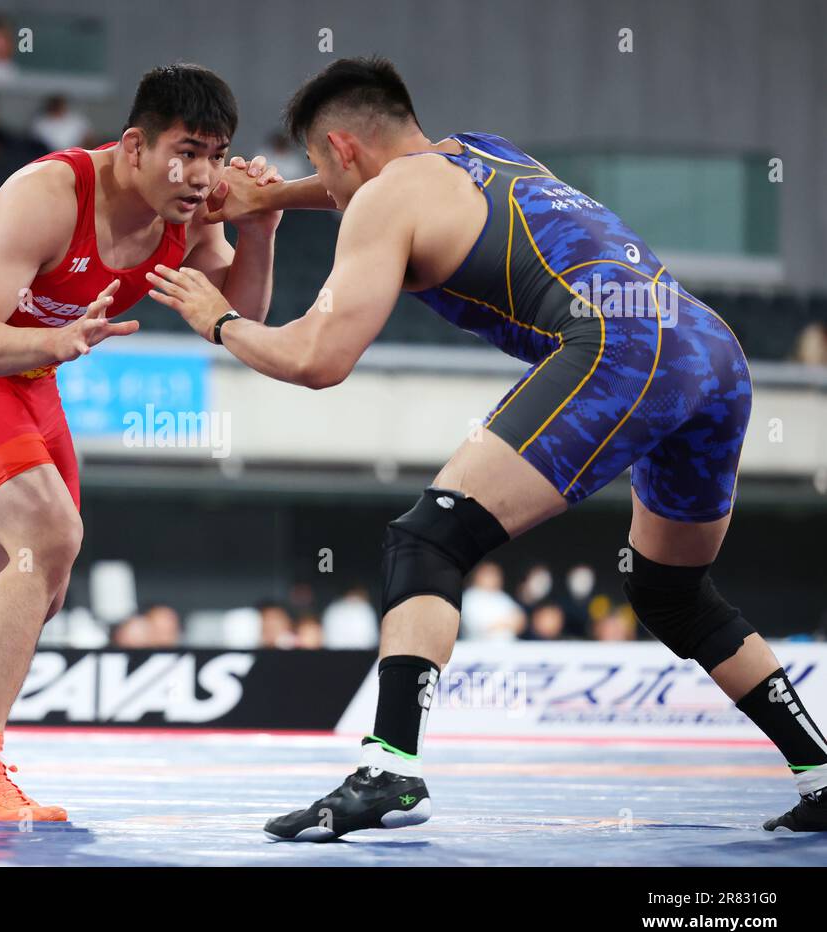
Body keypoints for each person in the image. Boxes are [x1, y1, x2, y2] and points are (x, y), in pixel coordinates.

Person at [149, 55, 827, 836]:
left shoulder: (382, 201)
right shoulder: (488, 150)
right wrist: (271, 197)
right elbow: (372, 182)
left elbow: (316, 360)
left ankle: (389, 772)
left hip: (623, 348)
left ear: (340, 149)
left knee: (428, 537)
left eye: (318, 168)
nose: (325, 190)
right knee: (673, 593)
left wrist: (219, 321)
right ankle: (822, 773)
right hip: (710, 349)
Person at [0, 63, 284, 824]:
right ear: (133, 145)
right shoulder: (46, 195)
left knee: (35, 588)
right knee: (47, 535)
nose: (202, 175)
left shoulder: (194, 210)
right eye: (186, 152)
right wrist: (52, 340)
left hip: (33, 374)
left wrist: (262, 229)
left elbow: (237, 319)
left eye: (218, 155)